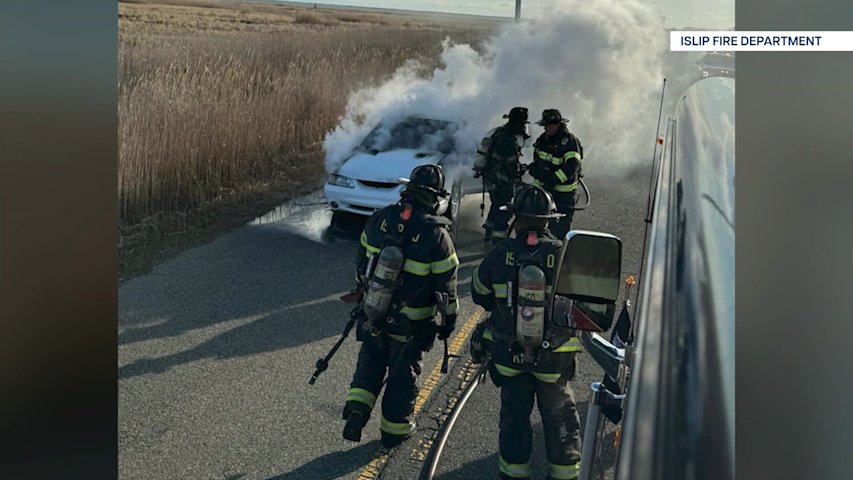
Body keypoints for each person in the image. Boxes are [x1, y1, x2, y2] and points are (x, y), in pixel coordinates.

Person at [469, 185, 583, 480]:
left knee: (514, 419)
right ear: (548, 220)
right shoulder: (563, 254)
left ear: (516, 219)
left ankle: (514, 474)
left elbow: (480, 294)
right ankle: (565, 475)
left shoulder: (500, 252)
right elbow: (582, 307)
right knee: (560, 418)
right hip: (554, 359)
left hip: (510, 356)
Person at [342, 164, 460, 448]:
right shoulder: (437, 235)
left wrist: (368, 293)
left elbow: (361, 263)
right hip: (411, 325)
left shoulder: (380, 219)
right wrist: (449, 321)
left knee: (370, 361)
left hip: (374, 313)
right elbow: (447, 287)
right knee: (401, 376)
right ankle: (395, 432)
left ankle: (357, 410)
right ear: (435, 197)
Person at [474, 106, 531, 244]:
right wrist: (519, 172)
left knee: (495, 205)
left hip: (491, 178)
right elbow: (511, 165)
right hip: (503, 182)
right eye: (522, 124)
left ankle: (488, 231)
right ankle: (498, 241)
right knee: (504, 210)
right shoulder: (509, 140)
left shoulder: (498, 132)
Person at [529, 109, 584, 240]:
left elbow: (572, 166)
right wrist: (533, 170)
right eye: (546, 125)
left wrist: (552, 180)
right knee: (534, 226)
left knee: (558, 230)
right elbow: (537, 160)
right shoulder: (542, 139)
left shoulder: (569, 142)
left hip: (563, 196)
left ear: (559, 125)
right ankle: (531, 252)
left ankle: (556, 255)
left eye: (551, 125)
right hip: (542, 192)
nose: (548, 128)